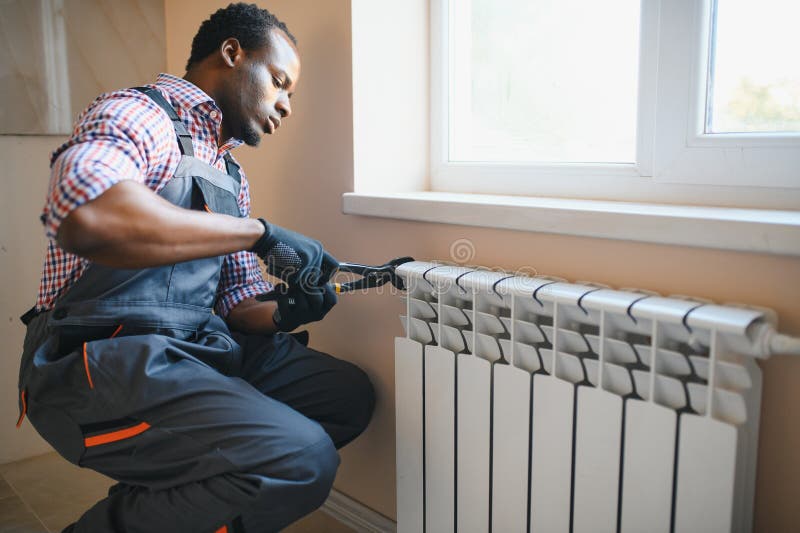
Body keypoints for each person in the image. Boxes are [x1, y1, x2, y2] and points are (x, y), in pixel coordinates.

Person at [16, 3, 376, 532]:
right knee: (301, 458)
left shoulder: (230, 173)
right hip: (96, 360)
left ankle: (176, 492)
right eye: (279, 82)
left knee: (346, 398)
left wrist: (282, 310)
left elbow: (237, 303)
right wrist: (260, 232)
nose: (286, 106)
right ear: (232, 53)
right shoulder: (139, 114)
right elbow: (89, 216)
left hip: (194, 348)